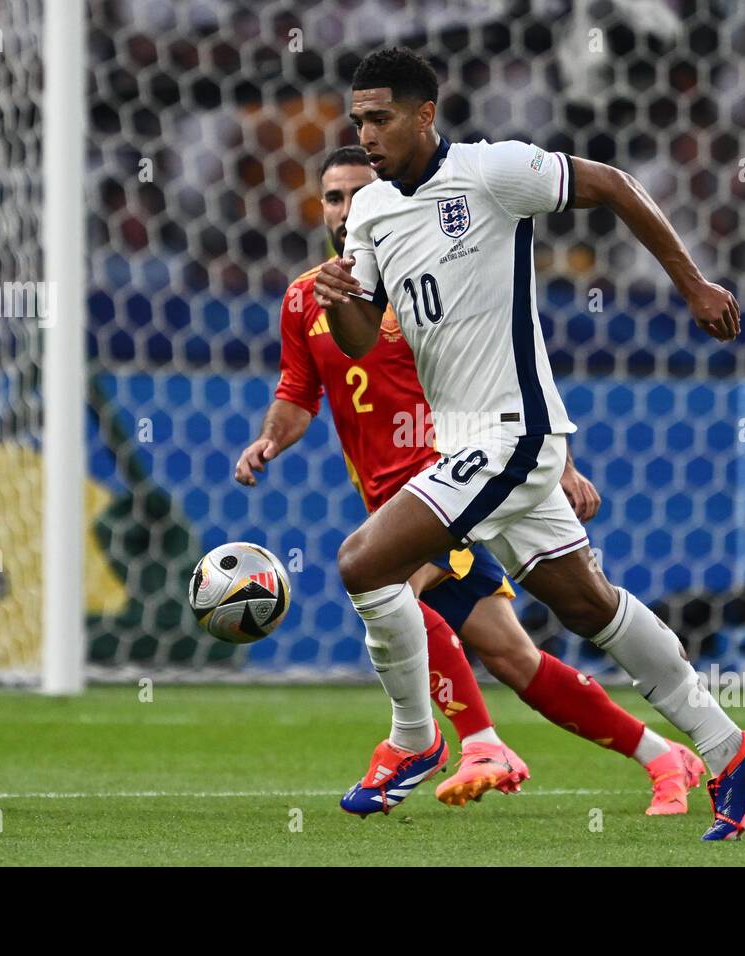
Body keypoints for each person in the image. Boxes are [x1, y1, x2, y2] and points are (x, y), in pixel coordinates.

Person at [313, 48, 745, 840]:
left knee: (364, 563)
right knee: (589, 605)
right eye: (358, 118)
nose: (365, 134)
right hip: (466, 444)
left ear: (426, 115)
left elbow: (613, 186)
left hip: (512, 435)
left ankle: (415, 739)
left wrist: (693, 283)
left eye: (380, 117)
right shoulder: (369, 214)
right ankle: (731, 750)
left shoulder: (494, 172)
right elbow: (361, 341)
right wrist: (339, 303)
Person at [236, 145, 705, 814]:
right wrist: (269, 440)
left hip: (455, 487)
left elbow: (510, 370)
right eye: (331, 198)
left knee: (389, 584)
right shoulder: (306, 299)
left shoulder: (424, 274)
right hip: (393, 503)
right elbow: (297, 390)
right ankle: (665, 757)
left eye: (354, 193)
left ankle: (469, 741)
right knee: (516, 659)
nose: (343, 210)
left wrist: (559, 463)